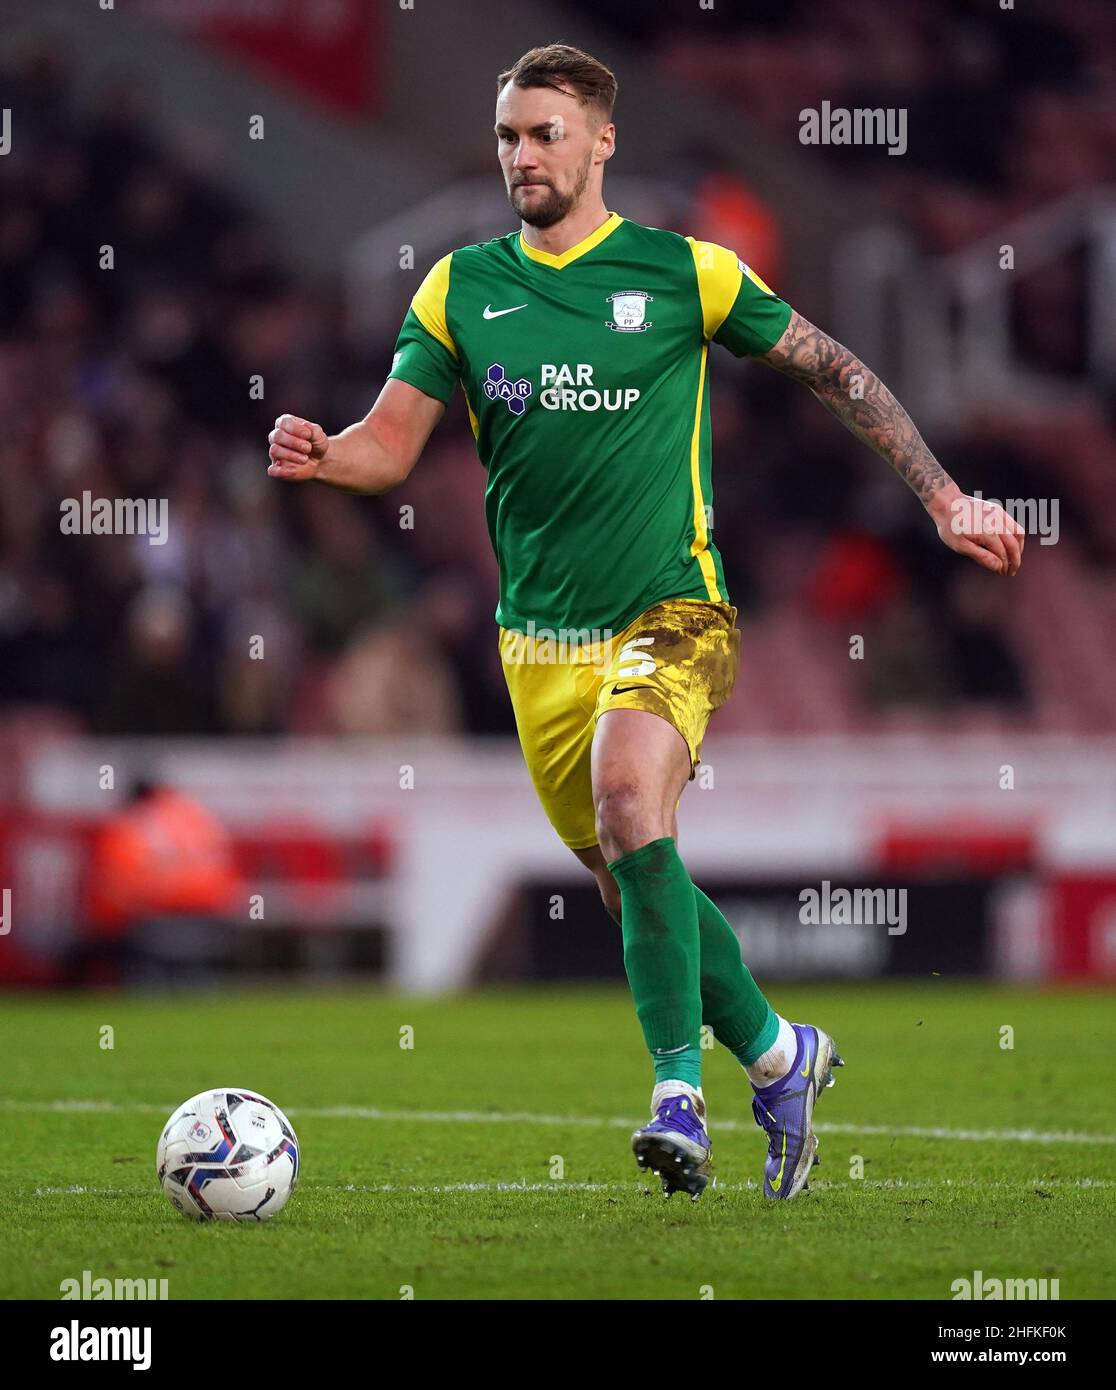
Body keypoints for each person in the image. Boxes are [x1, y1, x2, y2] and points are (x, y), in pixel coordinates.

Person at [267, 44, 1024, 1201]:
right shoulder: (461, 288)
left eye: (546, 133)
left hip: (676, 611)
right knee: (636, 873)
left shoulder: (688, 273)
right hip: (539, 650)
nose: (522, 154)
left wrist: (944, 495)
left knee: (631, 801)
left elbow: (835, 369)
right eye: (510, 135)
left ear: (603, 140)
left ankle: (679, 1094)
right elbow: (389, 441)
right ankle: (781, 1055)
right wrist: (328, 458)